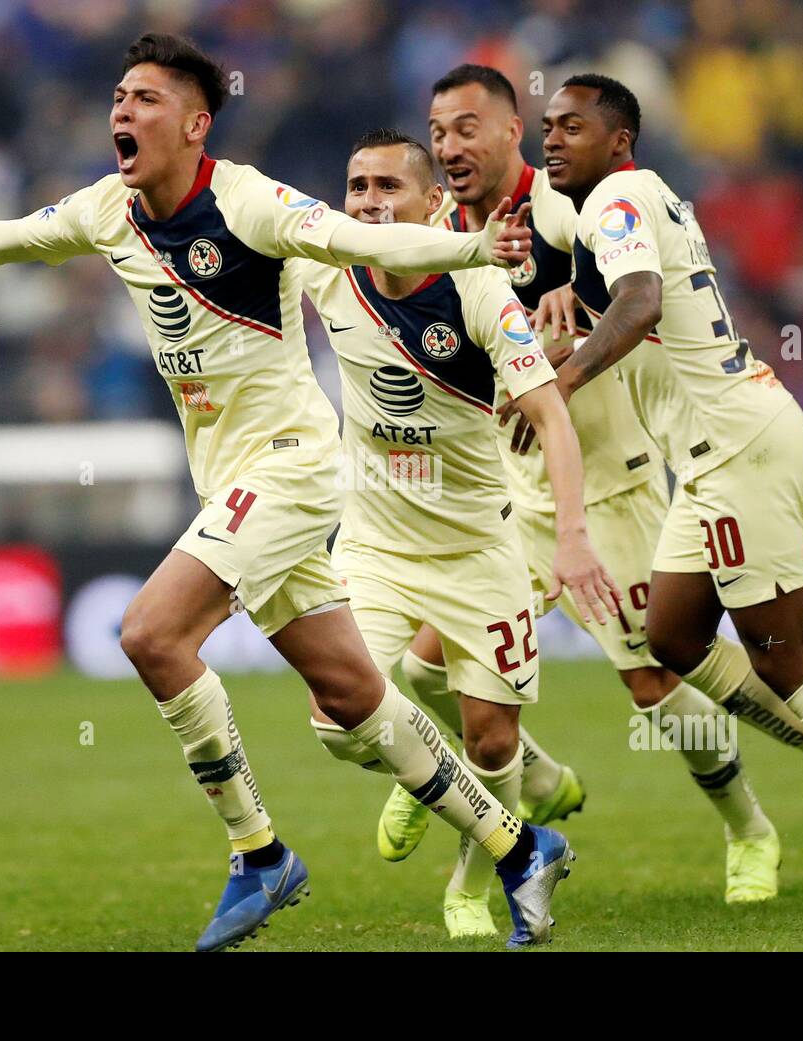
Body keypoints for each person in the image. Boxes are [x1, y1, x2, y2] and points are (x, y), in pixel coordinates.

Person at [0, 33, 594, 951]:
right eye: (119, 96)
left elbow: (356, 234)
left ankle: (259, 853)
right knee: (353, 694)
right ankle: (521, 847)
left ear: (197, 124)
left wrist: (469, 247)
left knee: (151, 632)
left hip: (292, 464)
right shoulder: (108, 210)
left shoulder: (246, 200)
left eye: (146, 99)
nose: (122, 110)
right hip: (231, 477)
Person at [532, 72, 803, 905]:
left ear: (620, 140)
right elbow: (634, 307)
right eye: (548, 125)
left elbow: (640, 301)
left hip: (735, 446)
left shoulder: (613, 204)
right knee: (673, 637)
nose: (552, 137)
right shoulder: (648, 195)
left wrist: (562, 380)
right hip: (718, 450)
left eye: (573, 126)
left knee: (782, 655)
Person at [391, 62, 787, 906]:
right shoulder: (438, 225)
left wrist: (581, 285)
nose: (449, 147)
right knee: (422, 663)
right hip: (509, 491)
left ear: (508, 133)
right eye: (437, 132)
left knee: (655, 684)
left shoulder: (565, 206)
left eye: (467, 129)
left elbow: (640, 281)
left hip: (608, 483)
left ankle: (752, 824)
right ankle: (534, 775)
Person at [299, 128, 614, 938]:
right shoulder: (328, 269)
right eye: (356, 186)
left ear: (433, 201)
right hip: (373, 547)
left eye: (388, 187)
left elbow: (551, 417)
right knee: (337, 722)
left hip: (479, 550)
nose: (369, 202)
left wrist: (572, 536)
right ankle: (440, 777)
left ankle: (470, 887)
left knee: (490, 736)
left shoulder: (478, 291)